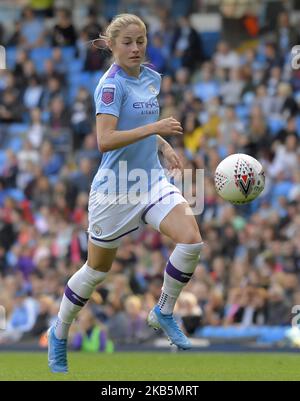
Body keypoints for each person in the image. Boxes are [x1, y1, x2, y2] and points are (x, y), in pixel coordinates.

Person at [48, 13, 203, 373]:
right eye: (128, 43)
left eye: (141, 41)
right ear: (113, 46)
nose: (136, 48)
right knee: (97, 270)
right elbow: (105, 140)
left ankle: (163, 311)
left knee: (192, 240)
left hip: (149, 180)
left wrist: (161, 143)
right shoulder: (110, 85)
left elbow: (138, 127)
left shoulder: (150, 77)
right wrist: (157, 127)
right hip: (114, 190)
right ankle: (59, 332)